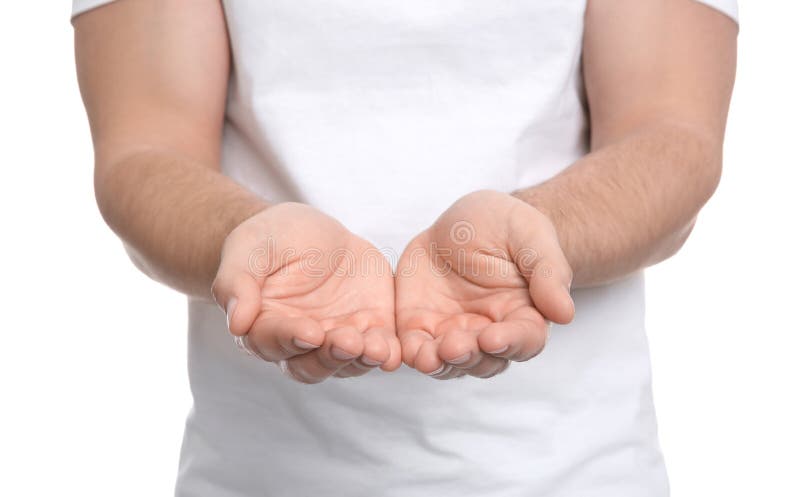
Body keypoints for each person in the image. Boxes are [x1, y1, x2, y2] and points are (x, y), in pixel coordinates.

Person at [72, 0, 738, 495]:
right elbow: (144, 147)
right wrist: (245, 240)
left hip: (578, 471)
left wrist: (536, 231)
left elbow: (671, 130)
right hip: (256, 474)